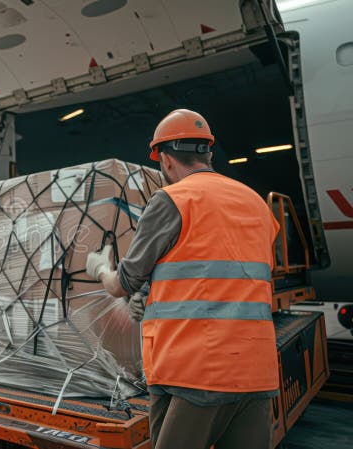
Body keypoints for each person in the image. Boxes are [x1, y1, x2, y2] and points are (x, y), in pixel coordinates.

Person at [86, 109, 280, 449]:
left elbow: (121, 284)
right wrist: (153, 292)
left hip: (196, 372)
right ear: (208, 153)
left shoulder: (172, 200)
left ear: (164, 160)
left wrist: (101, 268)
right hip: (256, 373)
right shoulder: (256, 203)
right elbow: (235, 276)